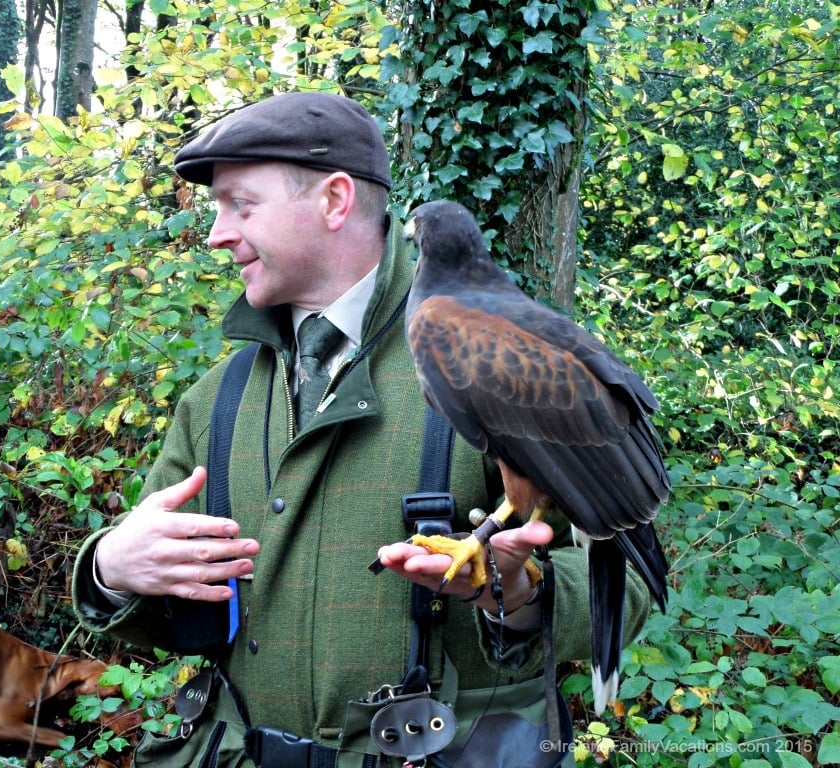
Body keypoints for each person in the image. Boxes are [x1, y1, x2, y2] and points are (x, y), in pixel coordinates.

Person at [72, 91, 654, 768]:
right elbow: (168, 611)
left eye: (241, 204)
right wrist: (113, 569)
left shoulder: (492, 352)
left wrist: (517, 594)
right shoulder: (218, 399)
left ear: (334, 200)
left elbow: (625, 584)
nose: (216, 233)